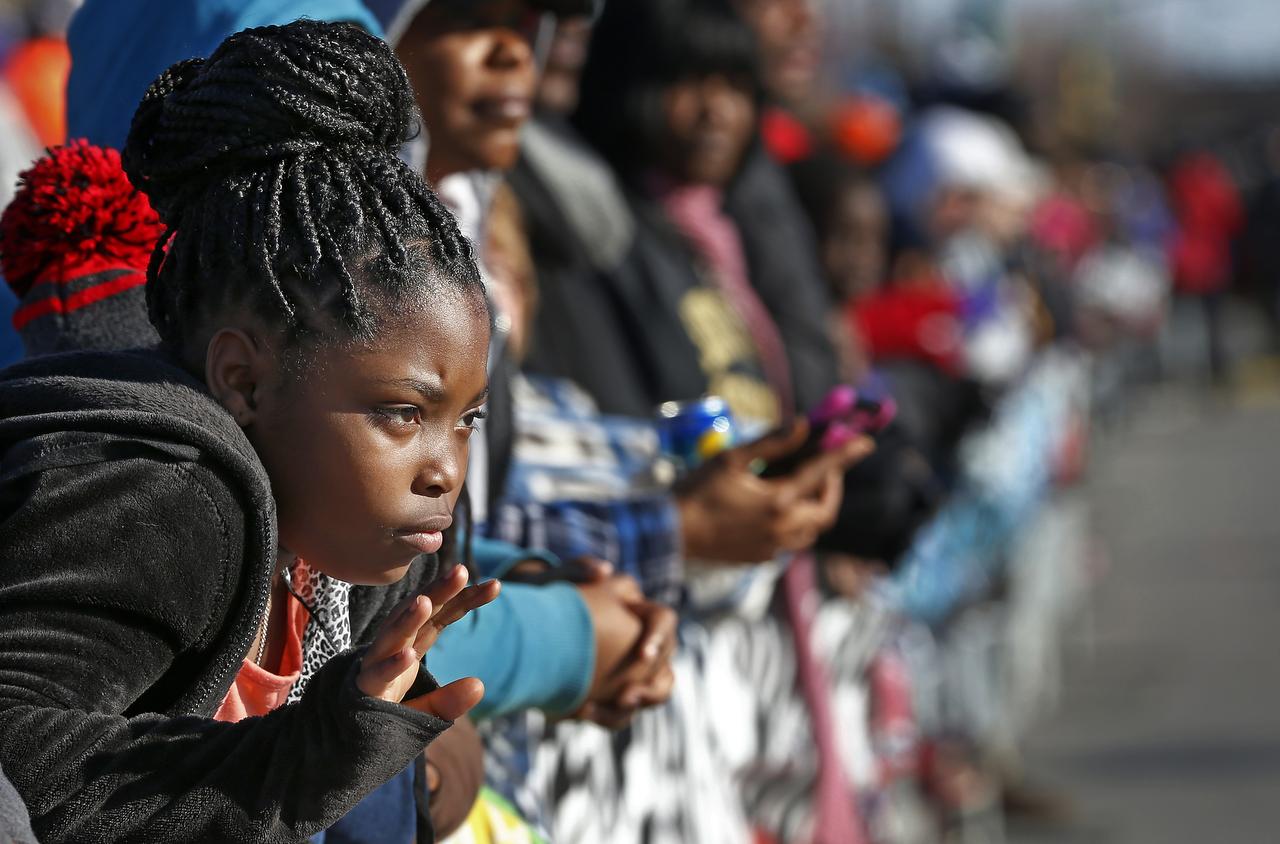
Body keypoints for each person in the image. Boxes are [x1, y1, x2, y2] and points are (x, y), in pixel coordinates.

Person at [0, 20, 500, 843]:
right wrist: (320, 757)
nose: (445, 468)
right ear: (243, 379)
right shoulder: (169, 499)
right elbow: (17, 755)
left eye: (467, 420)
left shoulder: (364, 556)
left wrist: (415, 752)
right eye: (403, 414)